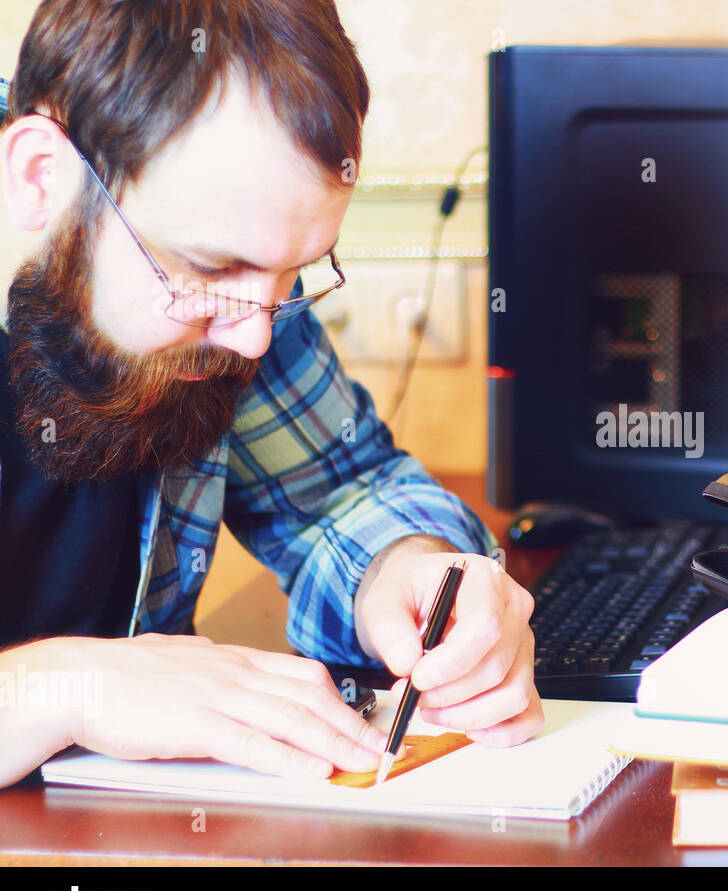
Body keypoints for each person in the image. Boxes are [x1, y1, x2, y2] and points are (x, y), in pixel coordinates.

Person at [0, 0, 541, 789]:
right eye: (212, 272)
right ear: (43, 178)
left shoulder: (240, 314)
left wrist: (410, 573)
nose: (255, 341)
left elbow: (342, 495)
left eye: (294, 275)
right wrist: (70, 689)